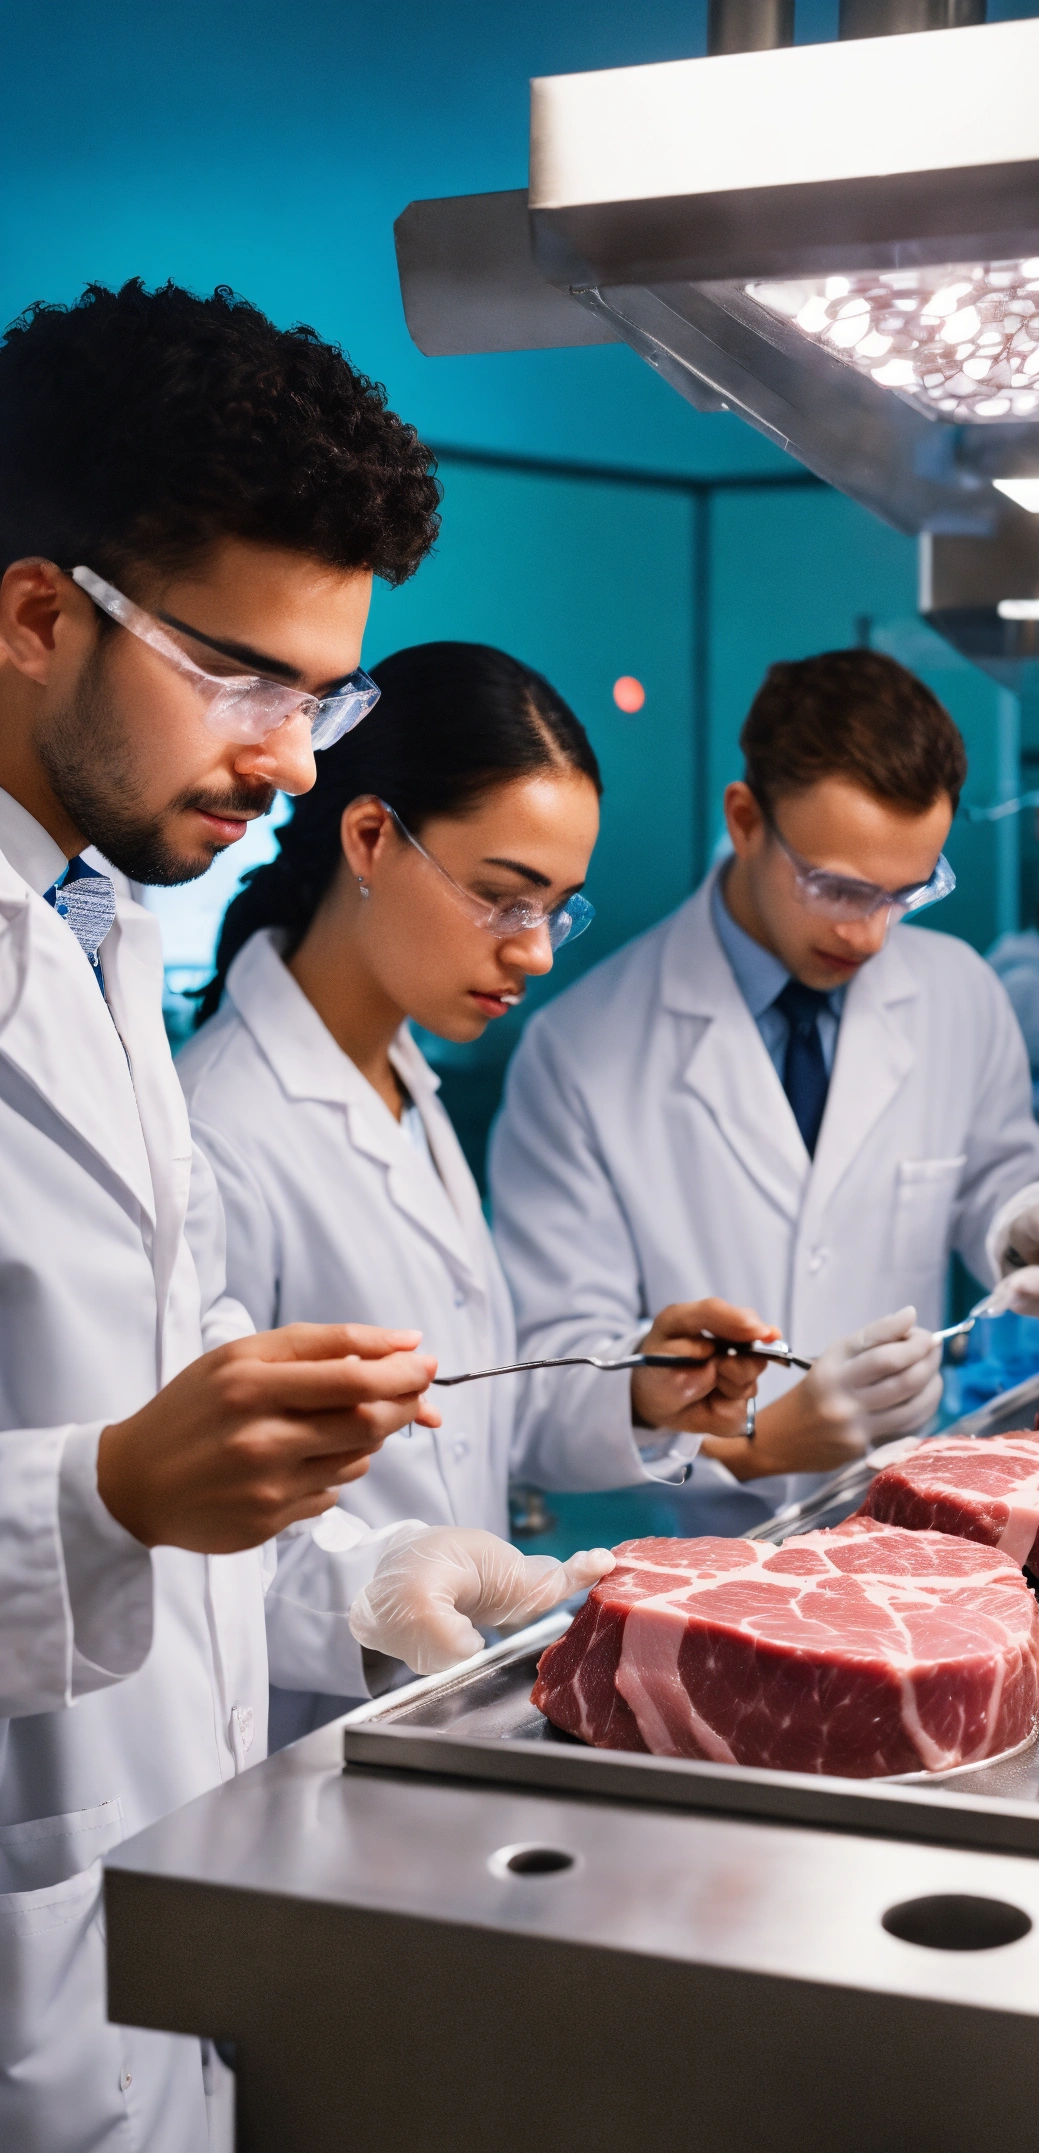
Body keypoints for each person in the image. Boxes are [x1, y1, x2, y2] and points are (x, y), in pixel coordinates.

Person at [0, 282, 612, 2153]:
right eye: (241, 678)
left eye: (320, 698)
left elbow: (157, 1435)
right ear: (38, 615)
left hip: (150, 1921)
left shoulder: (96, 935)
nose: (282, 756)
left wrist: (345, 1577)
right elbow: (102, 1485)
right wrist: (102, 1496)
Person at [179, 641, 774, 1744]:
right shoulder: (220, 1128)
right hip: (303, 1732)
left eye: (557, 909)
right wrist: (370, 1592)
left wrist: (641, 1391)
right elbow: (188, 1526)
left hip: (438, 1714)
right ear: (370, 837)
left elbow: (460, 1418)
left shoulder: (401, 1079)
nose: (537, 953)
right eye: (504, 899)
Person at [491, 647, 1039, 1532]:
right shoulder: (580, 1049)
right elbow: (544, 1386)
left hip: (904, 1533)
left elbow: (997, 1169)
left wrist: (1033, 1221)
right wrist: (754, 1437)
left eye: (906, 894)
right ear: (746, 820)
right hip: (695, 1552)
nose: (869, 935)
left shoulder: (956, 991)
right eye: (837, 889)